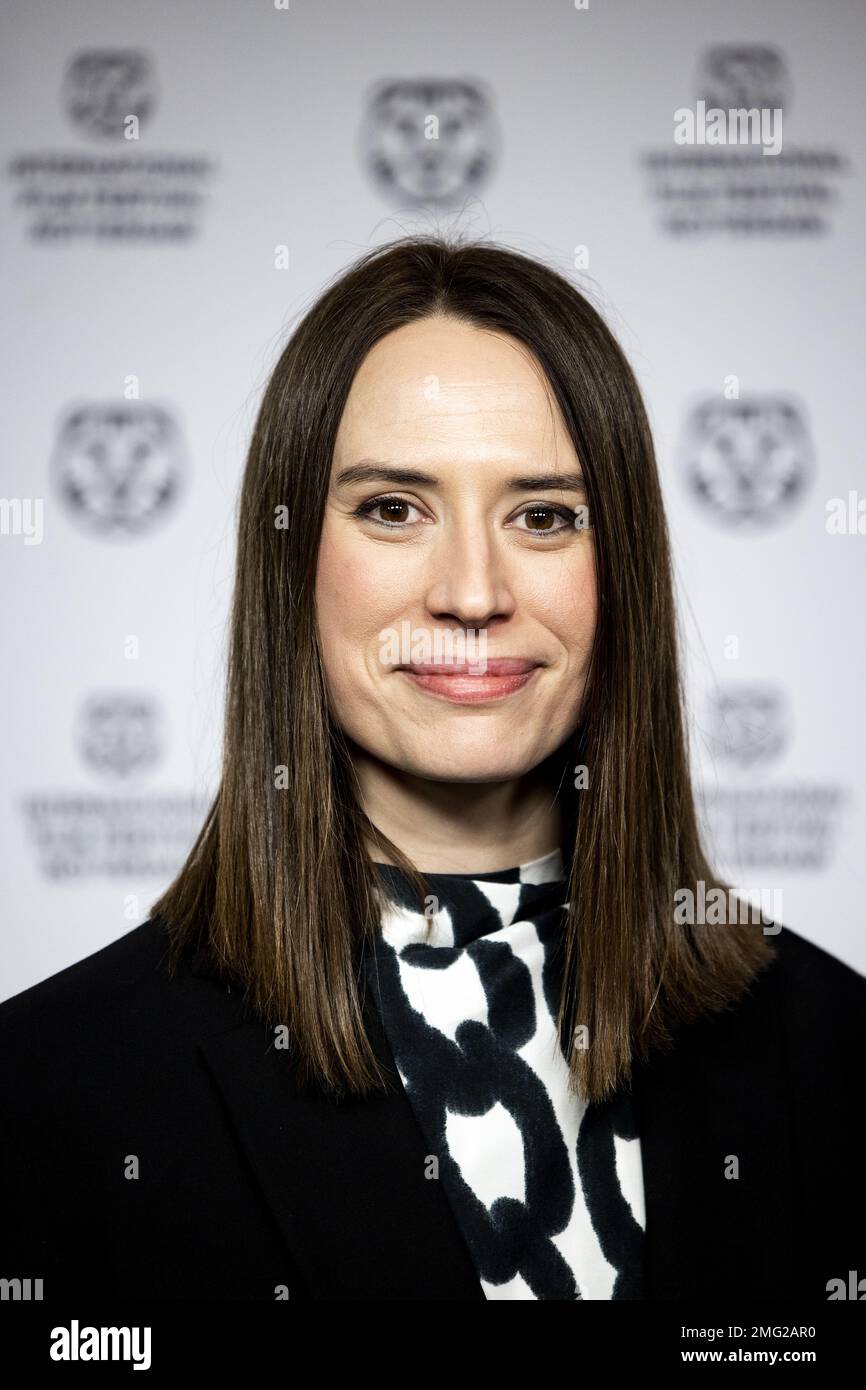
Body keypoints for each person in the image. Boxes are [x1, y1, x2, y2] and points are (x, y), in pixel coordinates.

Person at [1, 235, 863, 1302]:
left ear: (621, 569)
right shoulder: (48, 1091)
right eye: (392, 510)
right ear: (289, 563)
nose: (469, 591)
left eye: (542, 515)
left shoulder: (833, 1051)